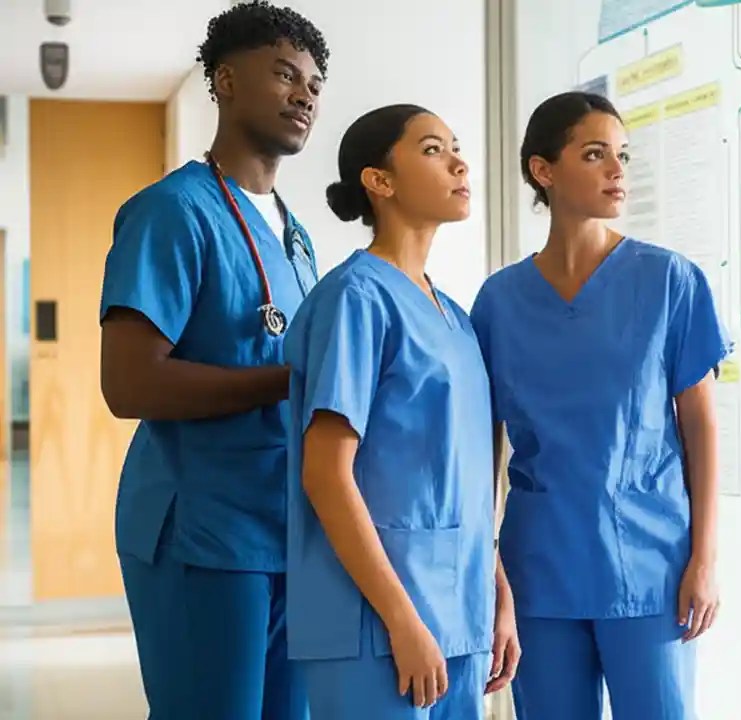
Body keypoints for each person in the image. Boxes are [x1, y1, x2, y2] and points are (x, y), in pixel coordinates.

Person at [97, 2, 327, 717]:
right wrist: (290, 381)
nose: (304, 94)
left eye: (315, 84)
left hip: (286, 529)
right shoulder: (172, 211)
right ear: (225, 81)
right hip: (201, 530)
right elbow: (129, 383)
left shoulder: (298, 237)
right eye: (284, 73)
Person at [469, 90, 731, 719]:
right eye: (594, 154)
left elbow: (701, 428)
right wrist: (487, 572)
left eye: (622, 155)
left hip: (653, 571)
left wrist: (704, 557)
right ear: (544, 170)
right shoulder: (499, 302)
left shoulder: (670, 281)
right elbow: (484, 452)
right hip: (538, 572)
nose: (617, 170)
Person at [283, 104, 520, 719]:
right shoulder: (355, 300)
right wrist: (401, 619)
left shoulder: (456, 319)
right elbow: (326, 474)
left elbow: (464, 472)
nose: (460, 161)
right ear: (379, 181)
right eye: (434, 149)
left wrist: (496, 587)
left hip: (459, 614)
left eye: (457, 146)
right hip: (376, 623)